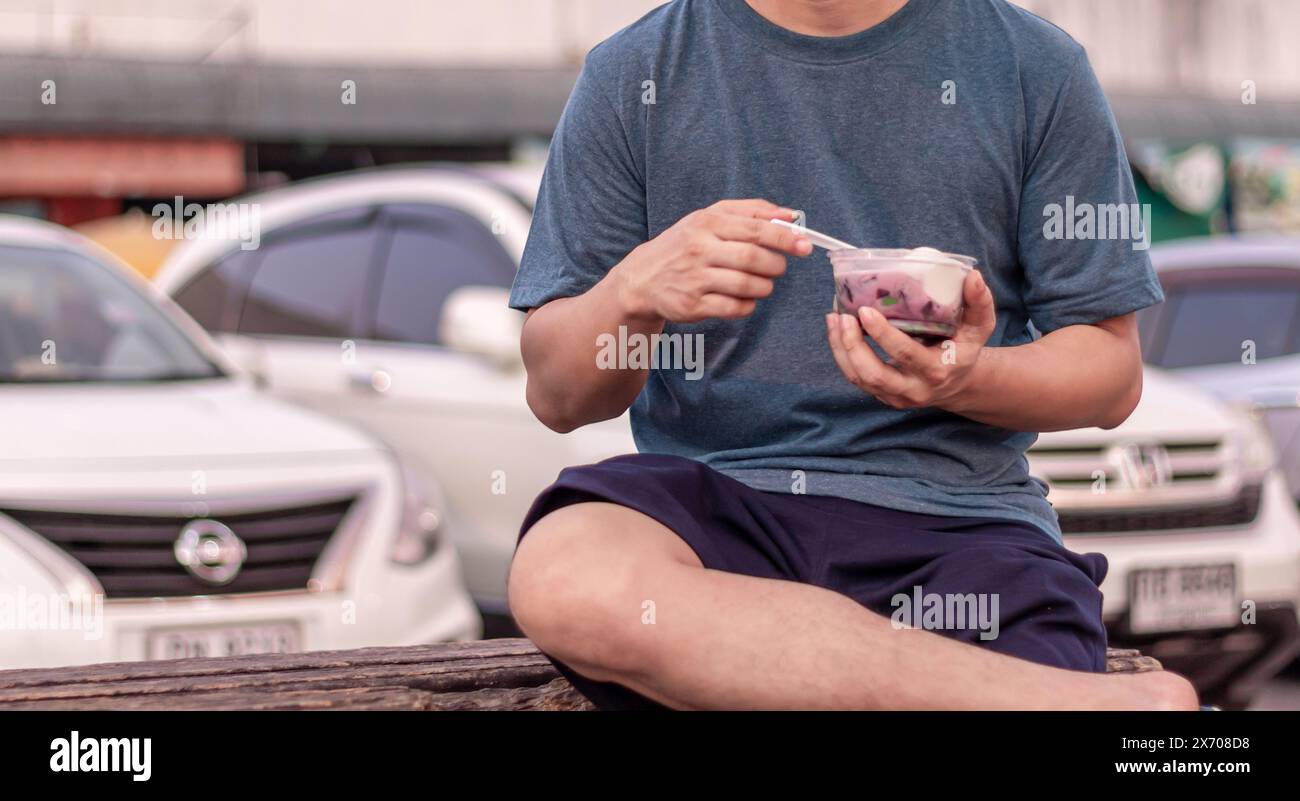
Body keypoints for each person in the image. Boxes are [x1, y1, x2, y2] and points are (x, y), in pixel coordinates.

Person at [505, 0, 1199, 710]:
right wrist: (634, 291)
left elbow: (1111, 376)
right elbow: (558, 396)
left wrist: (962, 377)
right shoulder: (634, 73)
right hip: (713, 518)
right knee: (565, 570)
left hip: (963, 529)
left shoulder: (1035, 68)